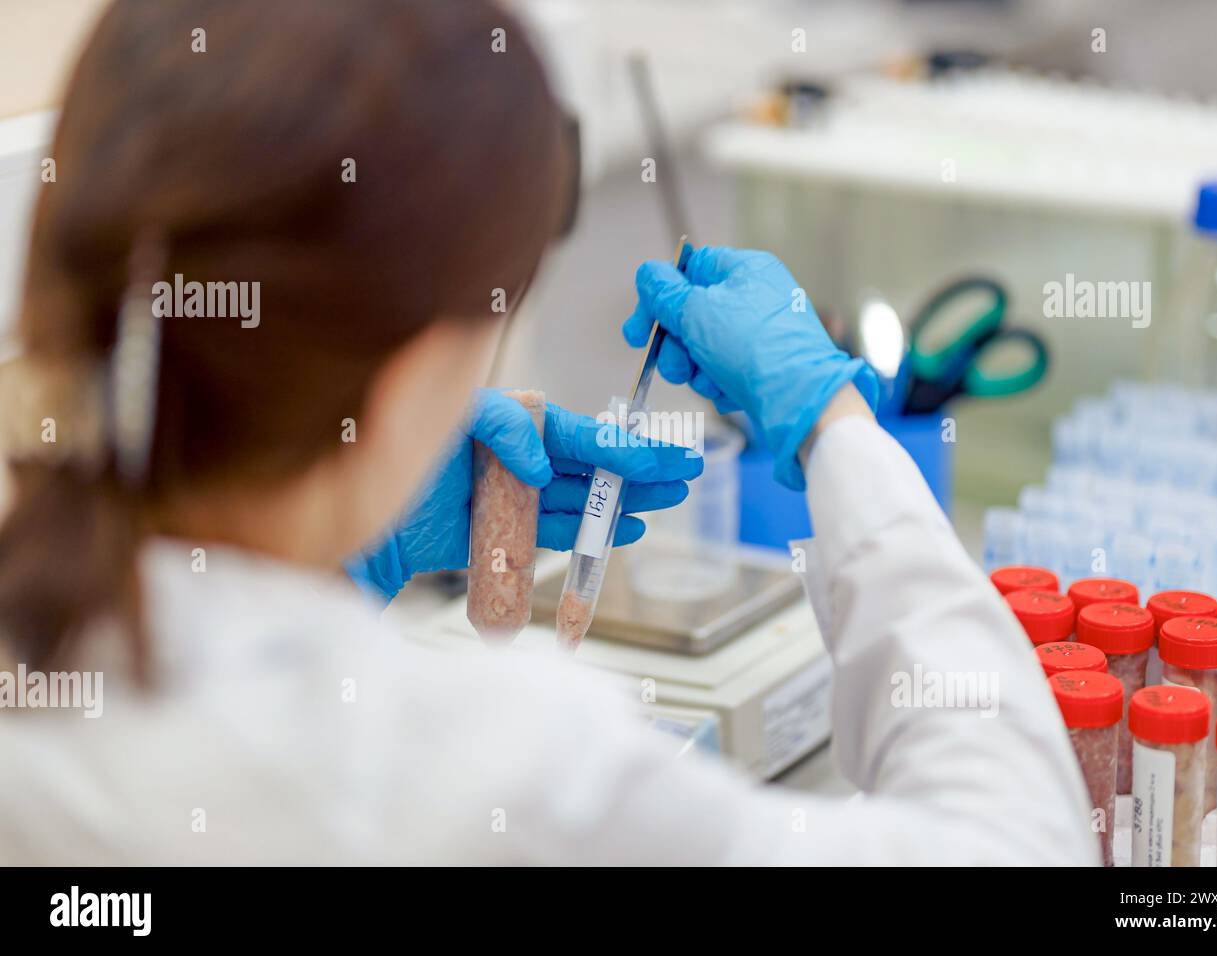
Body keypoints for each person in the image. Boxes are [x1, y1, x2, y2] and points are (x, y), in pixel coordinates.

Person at [0, 0, 1095, 865]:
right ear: (420, 369)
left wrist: (328, 559)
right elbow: (1014, 841)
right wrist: (834, 419)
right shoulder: (495, 764)